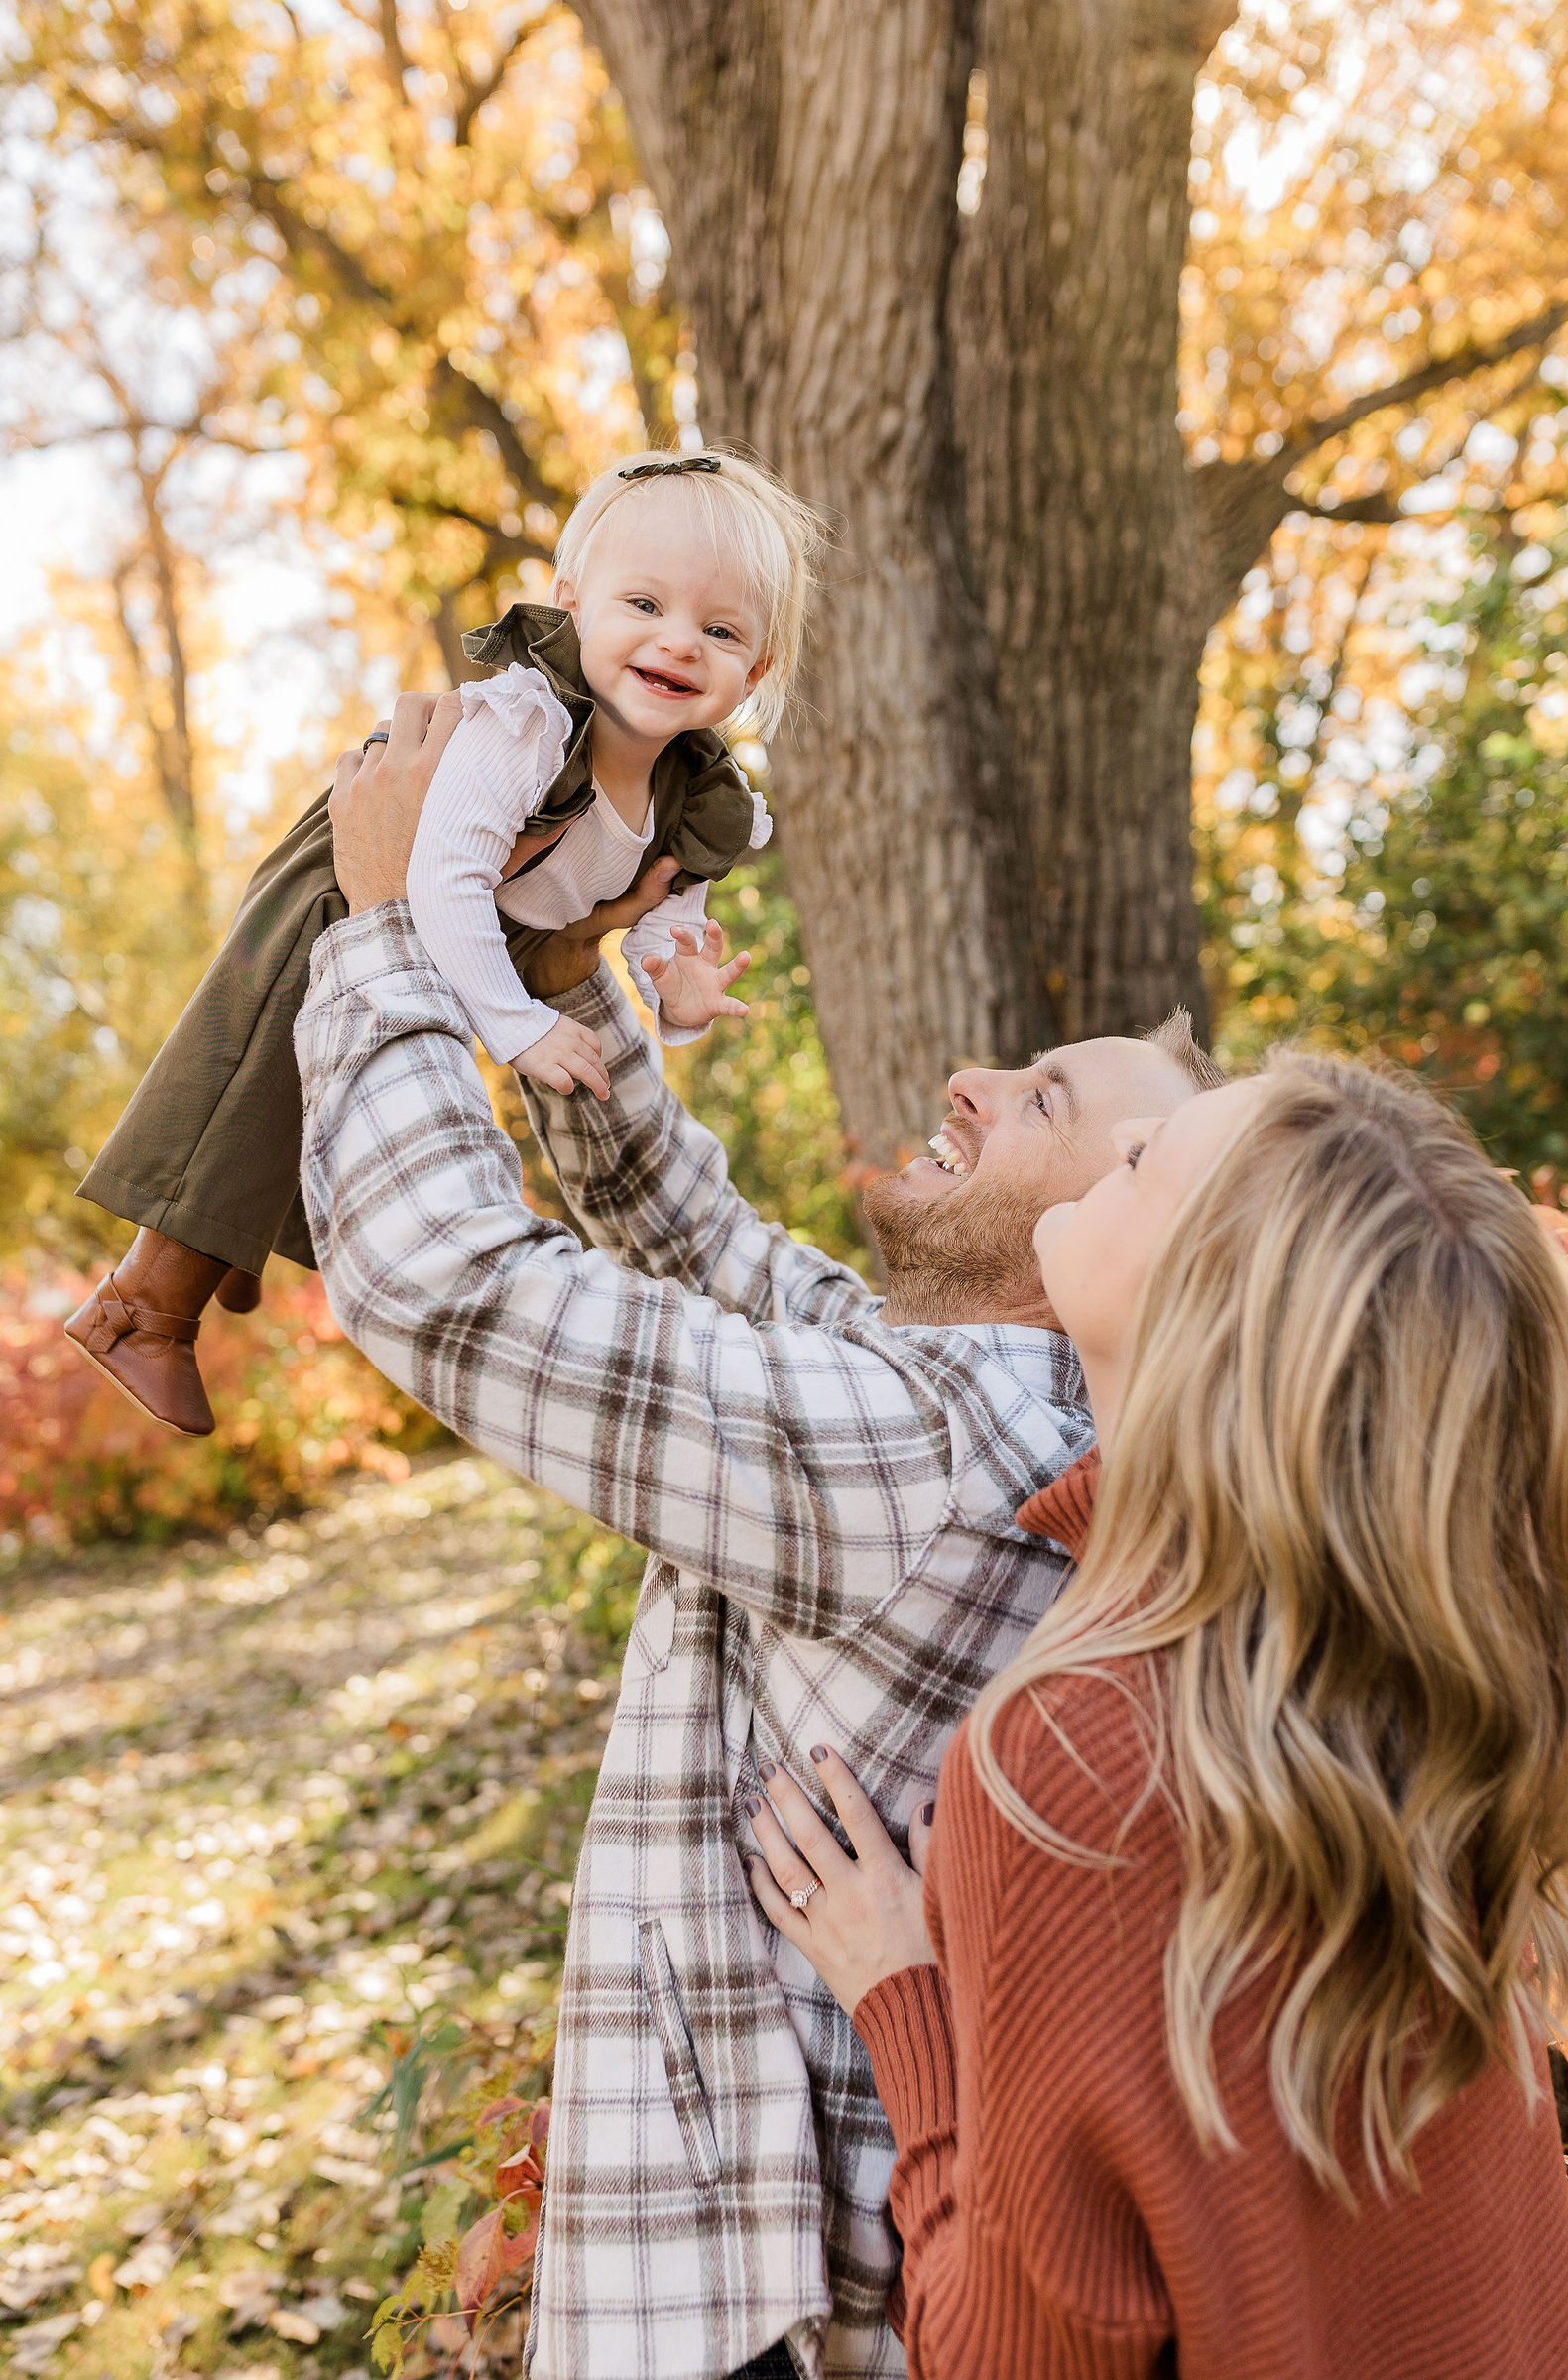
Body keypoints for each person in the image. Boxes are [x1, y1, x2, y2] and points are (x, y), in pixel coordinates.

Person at [289, 695, 1222, 2380]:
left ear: (1116, 1237)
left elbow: (446, 1282)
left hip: (764, 2319)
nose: (976, 1078)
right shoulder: (1008, 1412)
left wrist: (382, 942)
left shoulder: (924, 1464)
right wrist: (571, 984)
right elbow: (713, 1255)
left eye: (1048, 1101)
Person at [747, 1055, 1568, 2379]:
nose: (1127, 1129)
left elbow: (1004, 2361)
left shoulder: (1069, 1757)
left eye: (1148, 1158)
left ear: (1205, 1312)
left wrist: (903, 1995)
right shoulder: (1407, 1699)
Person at [65, 448, 822, 1438]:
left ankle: (234, 1238)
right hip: (365, 882)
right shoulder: (526, 723)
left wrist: (674, 986)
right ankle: (140, 1311)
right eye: (643, 605)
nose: (678, 643)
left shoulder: (699, 792)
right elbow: (440, 875)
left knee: (367, 1095)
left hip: (474, 934)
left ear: (753, 669)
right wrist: (515, 1027)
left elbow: (664, 917)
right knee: (261, 1072)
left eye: (718, 629)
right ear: (572, 605)